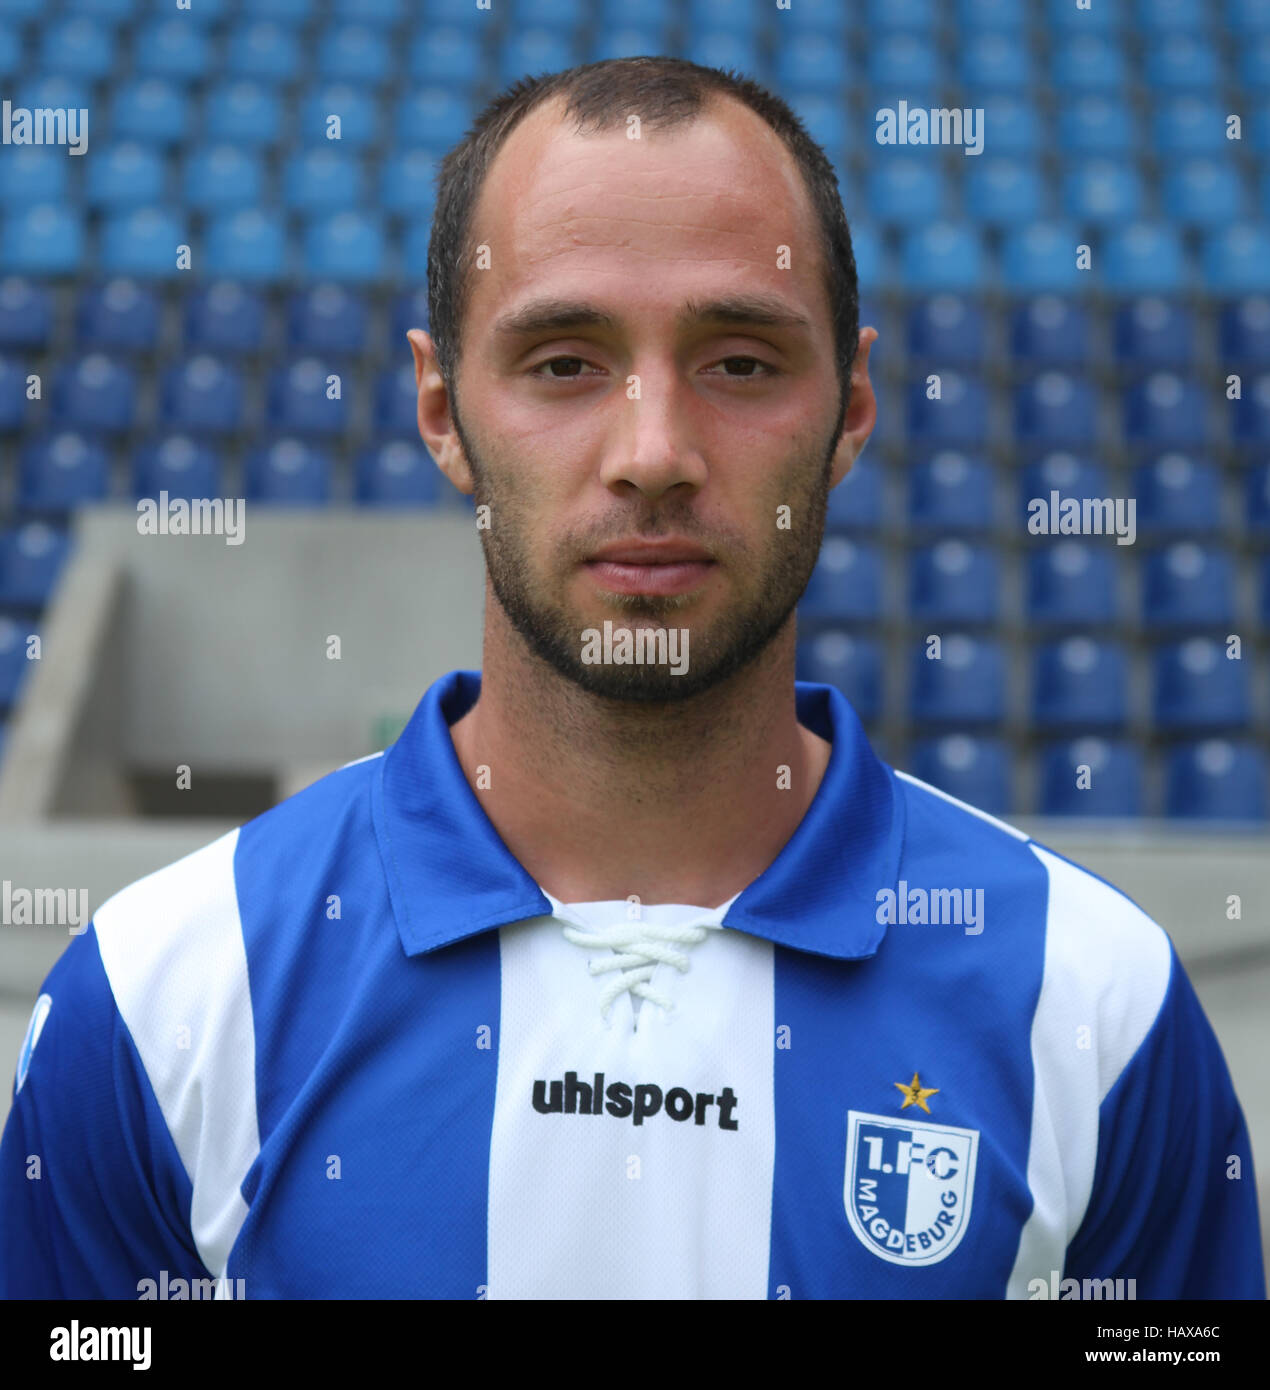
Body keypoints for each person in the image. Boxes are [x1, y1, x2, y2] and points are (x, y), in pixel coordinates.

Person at [1, 58, 1262, 1299]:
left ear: (854, 407)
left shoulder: (1096, 1008)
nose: (653, 453)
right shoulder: (163, 996)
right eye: (563, 362)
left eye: (740, 363)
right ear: (441, 409)